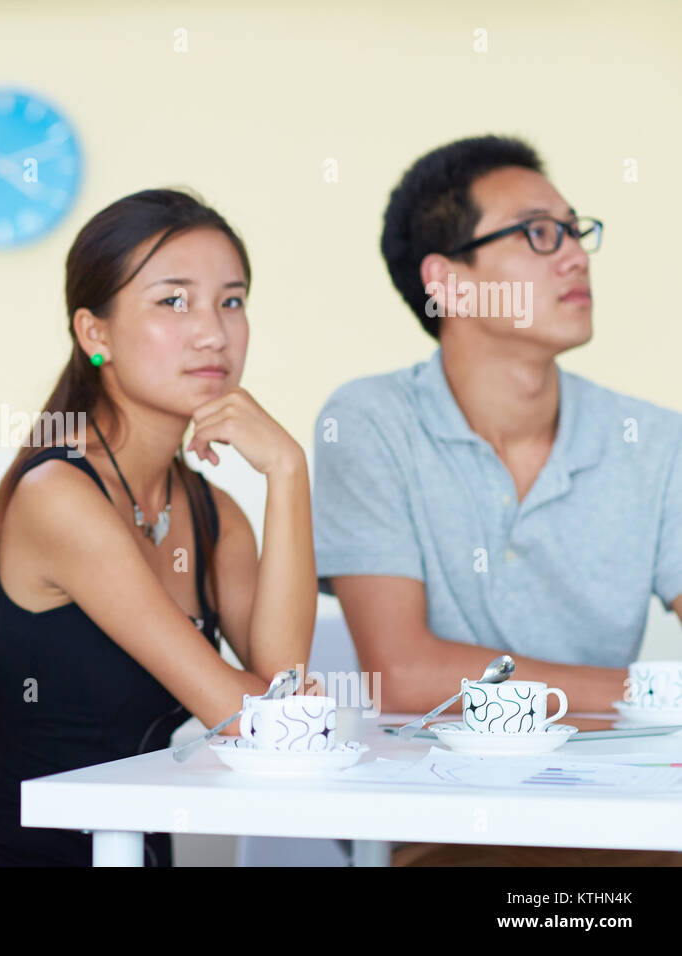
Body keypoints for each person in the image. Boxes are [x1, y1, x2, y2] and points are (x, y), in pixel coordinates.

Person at [311, 135, 682, 866]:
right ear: (447, 282)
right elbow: (407, 676)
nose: (575, 255)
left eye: (576, 231)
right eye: (539, 233)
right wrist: (646, 692)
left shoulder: (657, 439)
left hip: (627, 814)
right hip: (455, 825)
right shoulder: (369, 421)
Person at [0, 188, 317, 867]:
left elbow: (284, 705)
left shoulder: (214, 516)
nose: (212, 331)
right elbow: (252, 722)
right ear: (95, 334)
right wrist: (269, 711)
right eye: (173, 301)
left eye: (230, 301)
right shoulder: (58, 495)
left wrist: (288, 473)